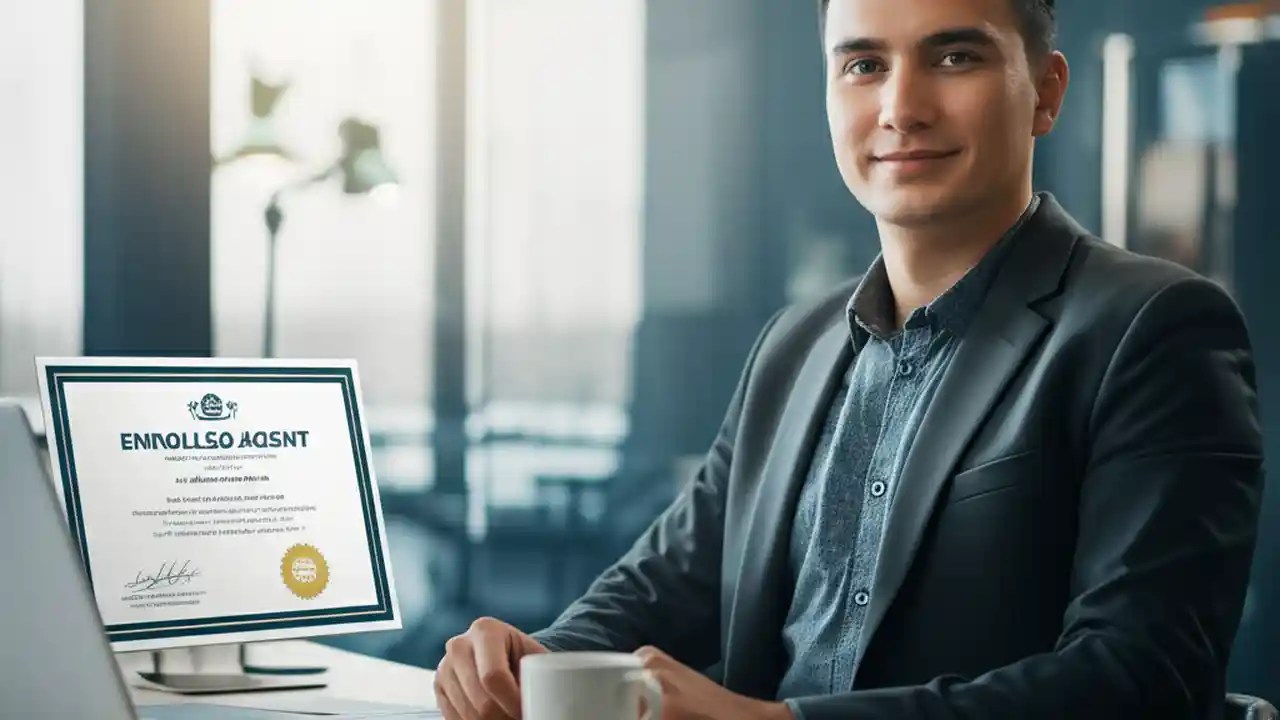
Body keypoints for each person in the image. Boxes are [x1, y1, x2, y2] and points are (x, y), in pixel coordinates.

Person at [434, 0, 1266, 717]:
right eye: (865, 64)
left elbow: (1143, 680)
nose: (902, 107)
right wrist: (525, 658)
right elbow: (667, 583)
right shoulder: (794, 344)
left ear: (1046, 90)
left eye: (953, 55)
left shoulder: (1153, 327)